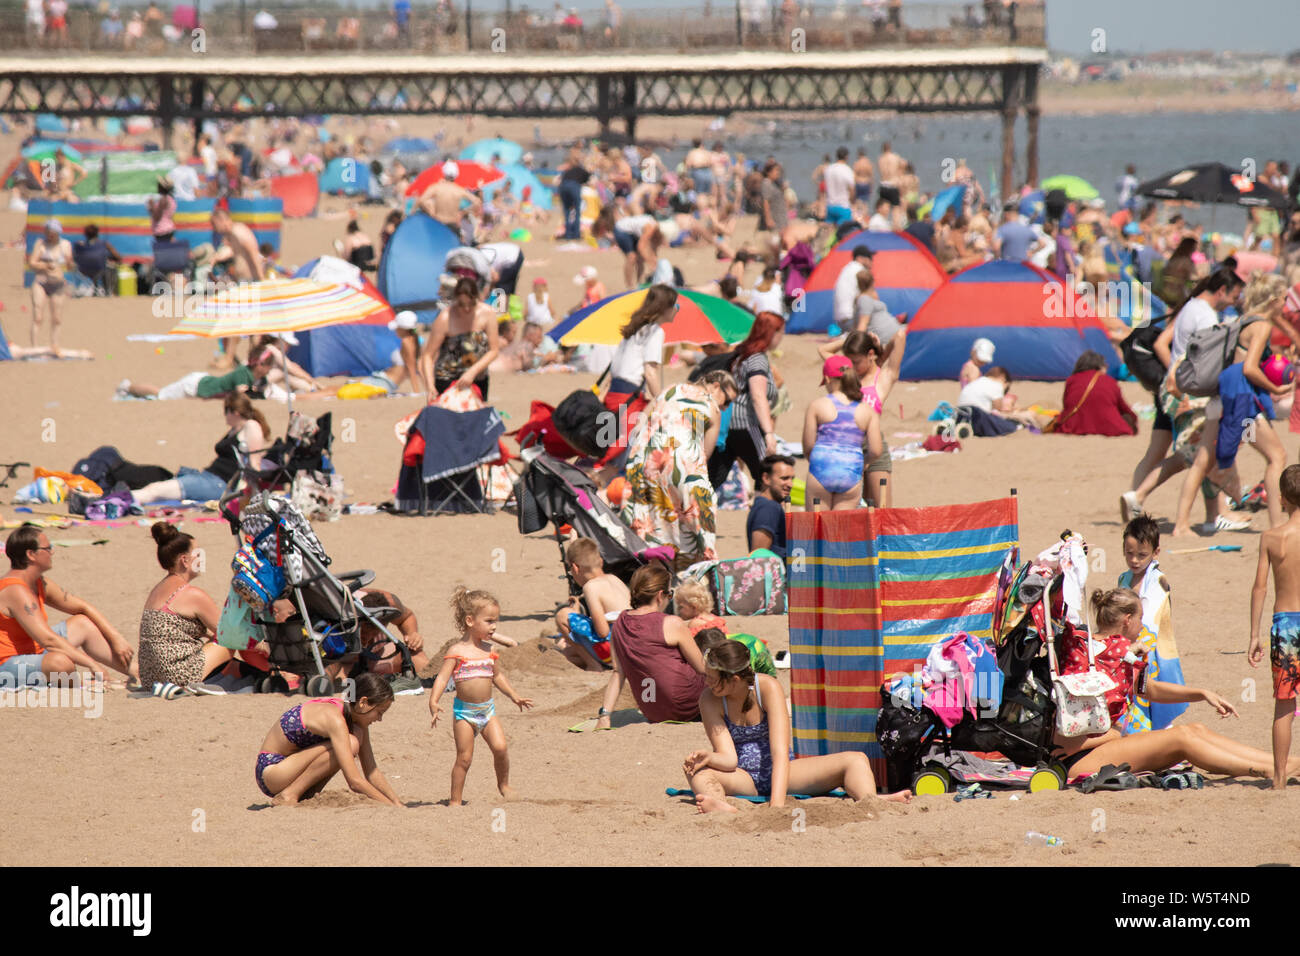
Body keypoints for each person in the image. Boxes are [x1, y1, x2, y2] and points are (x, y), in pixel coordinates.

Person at [1054, 588, 1300, 784]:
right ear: (1128, 620)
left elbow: (1148, 690)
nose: (1142, 625)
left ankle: (1283, 763)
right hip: (1079, 758)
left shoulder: (1097, 651)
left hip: (1099, 747)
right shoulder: (1111, 653)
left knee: (1196, 729)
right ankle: (1266, 770)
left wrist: (1202, 694)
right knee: (1182, 738)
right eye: (1141, 618)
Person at [684, 640, 910, 812]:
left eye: (713, 679)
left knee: (856, 760)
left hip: (785, 772)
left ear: (734, 680)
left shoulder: (768, 688)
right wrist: (709, 758)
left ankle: (870, 800)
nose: (707, 682)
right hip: (742, 776)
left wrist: (776, 806)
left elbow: (780, 754)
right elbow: (729, 758)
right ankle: (725, 809)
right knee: (698, 773)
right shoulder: (710, 699)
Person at [1123, 269, 1247, 530]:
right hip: (1192, 392)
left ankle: (1213, 517)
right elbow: (1209, 360)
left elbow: (1168, 346)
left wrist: (1175, 379)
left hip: (1179, 388)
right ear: (1222, 290)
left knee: (1193, 454)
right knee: (1197, 455)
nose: (1234, 302)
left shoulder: (1190, 307)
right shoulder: (1204, 315)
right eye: (1234, 295)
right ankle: (1154, 503)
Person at [428, 587, 533, 805]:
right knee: (464, 758)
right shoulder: (457, 651)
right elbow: (441, 678)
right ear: (470, 620)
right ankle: (455, 800)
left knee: (501, 748)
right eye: (489, 621)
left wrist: (514, 695)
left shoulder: (489, 650)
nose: (494, 626)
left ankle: (503, 785)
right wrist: (434, 701)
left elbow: (498, 676)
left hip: (487, 710)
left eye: (496, 621)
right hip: (464, 713)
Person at [0, 525, 137, 688]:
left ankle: (136, 671)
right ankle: (85, 684)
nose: (52, 552)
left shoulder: (39, 582)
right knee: (61, 664)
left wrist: (116, 639)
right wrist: (91, 664)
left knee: (82, 623)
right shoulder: (15, 590)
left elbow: (83, 607)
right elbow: (48, 640)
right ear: (31, 554)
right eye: (48, 548)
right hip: (7, 664)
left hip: (34, 652)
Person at [622, 371, 738, 565]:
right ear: (716, 386)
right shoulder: (712, 407)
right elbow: (703, 455)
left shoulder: (669, 390)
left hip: (645, 460)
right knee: (693, 521)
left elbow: (641, 423)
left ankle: (648, 563)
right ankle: (694, 569)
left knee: (650, 520)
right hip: (681, 464)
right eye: (727, 401)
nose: (726, 408)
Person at [254, 672, 402, 806]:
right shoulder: (335, 718)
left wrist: (396, 802)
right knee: (350, 744)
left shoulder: (357, 721)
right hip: (271, 770)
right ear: (363, 703)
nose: (380, 719)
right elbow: (354, 781)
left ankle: (305, 794)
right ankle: (289, 794)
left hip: (289, 768)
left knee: (354, 738)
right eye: (379, 712)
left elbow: (371, 771)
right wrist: (388, 805)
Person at [138, 524, 238, 696]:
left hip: (150, 676)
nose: (201, 558)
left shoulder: (158, 589)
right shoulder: (192, 594)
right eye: (197, 553)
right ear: (185, 560)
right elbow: (228, 633)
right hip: (176, 674)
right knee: (228, 641)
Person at [604, 564, 707, 728]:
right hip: (687, 707)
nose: (669, 599)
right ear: (660, 595)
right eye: (670, 594)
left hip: (652, 711)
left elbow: (618, 673)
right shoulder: (671, 623)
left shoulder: (619, 624)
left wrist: (605, 715)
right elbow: (702, 668)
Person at [1250, 465, 1300, 789]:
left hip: (1285, 627)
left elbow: (1260, 588)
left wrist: (1254, 634)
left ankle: (1280, 779)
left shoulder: (1271, 537)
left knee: (1284, 704)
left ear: (1281, 499)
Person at [133, 393, 271, 505]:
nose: (225, 416)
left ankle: (120, 499)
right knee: (155, 488)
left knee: (155, 490)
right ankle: (121, 497)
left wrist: (254, 494)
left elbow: (254, 463)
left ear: (235, 412)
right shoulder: (234, 430)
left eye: (226, 412)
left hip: (219, 484)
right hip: (207, 477)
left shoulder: (251, 426)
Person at [1119, 515, 1188, 733]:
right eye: (1129, 553)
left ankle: (1166, 741)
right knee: (1134, 697)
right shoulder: (1123, 579)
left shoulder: (1158, 581)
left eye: (1142, 555)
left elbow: (1150, 619)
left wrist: (1134, 646)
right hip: (1130, 646)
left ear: (1155, 553)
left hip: (1152, 649)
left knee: (1156, 698)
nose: (1135, 560)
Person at [598, 284, 675, 465]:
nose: (676, 311)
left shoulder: (634, 328)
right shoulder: (655, 331)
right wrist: (663, 400)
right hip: (627, 398)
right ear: (665, 308)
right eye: (675, 307)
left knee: (610, 450)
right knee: (621, 455)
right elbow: (650, 373)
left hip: (615, 394)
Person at [708, 311, 784, 487]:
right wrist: (769, 433)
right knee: (767, 476)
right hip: (746, 424)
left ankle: (693, 511)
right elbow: (758, 397)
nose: (782, 338)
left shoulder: (742, 354)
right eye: (780, 333)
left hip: (727, 423)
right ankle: (764, 514)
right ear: (771, 333)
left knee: (712, 479)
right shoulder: (757, 359)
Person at [840, 329, 905, 507]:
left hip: (873, 443)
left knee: (881, 508)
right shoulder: (848, 377)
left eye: (856, 361)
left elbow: (899, 335)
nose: (852, 366)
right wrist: (853, 336)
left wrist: (876, 345)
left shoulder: (883, 378)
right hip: (848, 443)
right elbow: (825, 353)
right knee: (854, 508)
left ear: (869, 355)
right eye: (849, 361)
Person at [803, 356, 877, 511]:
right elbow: (876, 450)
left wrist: (816, 461)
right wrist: (864, 464)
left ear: (827, 378)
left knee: (817, 528)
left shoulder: (817, 405)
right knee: (841, 532)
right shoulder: (867, 410)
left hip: (821, 468)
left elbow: (809, 445)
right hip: (850, 471)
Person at [420, 276, 500, 401]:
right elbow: (428, 356)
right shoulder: (445, 318)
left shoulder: (487, 313)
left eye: (471, 304)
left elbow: (494, 350)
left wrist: (472, 372)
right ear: (456, 299)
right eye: (462, 305)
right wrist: (430, 387)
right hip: (447, 379)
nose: (467, 309)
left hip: (477, 378)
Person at [117, 347, 276, 401]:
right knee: (160, 393)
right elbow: (241, 393)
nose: (269, 370)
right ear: (259, 365)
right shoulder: (244, 373)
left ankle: (128, 386)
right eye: (268, 366)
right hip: (195, 386)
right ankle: (128, 386)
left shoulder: (252, 375)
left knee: (161, 392)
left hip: (202, 382)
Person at [1050, 351, 1136, 436]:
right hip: (1108, 427)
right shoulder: (1110, 381)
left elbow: (1067, 405)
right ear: (1099, 366)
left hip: (1074, 426)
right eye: (1105, 365)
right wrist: (1133, 418)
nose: (1107, 367)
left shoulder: (1071, 380)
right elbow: (1123, 408)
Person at [26, 218, 73, 353]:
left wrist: (69, 262)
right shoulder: (41, 244)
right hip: (41, 282)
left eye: (53, 233)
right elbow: (32, 263)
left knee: (57, 318)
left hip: (58, 284)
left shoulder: (65, 245)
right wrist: (46, 265)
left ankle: (54, 345)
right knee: (38, 317)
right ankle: (34, 348)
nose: (50, 235)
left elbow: (70, 267)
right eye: (48, 232)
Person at [746, 454, 794, 557]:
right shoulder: (768, 508)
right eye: (784, 478)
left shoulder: (765, 505)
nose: (790, 484)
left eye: (791, 479)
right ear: (766, 478)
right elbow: (759, 556)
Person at [418, 160, 481, 229]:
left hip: (438, 222)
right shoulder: (458, 189)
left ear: (444, 173)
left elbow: (421, 200)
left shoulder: (436, 187)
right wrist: (462, 212)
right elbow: (477, 202)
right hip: (453, 223)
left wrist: (431, 212)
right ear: (456, 175)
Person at [613, 212, 665, 289]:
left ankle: (639, 283)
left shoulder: (655, 230)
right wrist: (650, 262)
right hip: (621, 229)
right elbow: (640, 247)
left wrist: (653, 259)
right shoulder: (650, 228)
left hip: (633, 232)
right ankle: (629, 285)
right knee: (631, 257)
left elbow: (652, 249)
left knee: (640, 259)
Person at [832, 245, 873, 330]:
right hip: (851, 321)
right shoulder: (860, 271)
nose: (871, 261)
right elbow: (868, 297)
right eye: (870, 258)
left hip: (841, 321)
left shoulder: (846, 269)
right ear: (859, 258)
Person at [557, 146, 590, 240]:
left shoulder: (568, 171)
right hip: (573, 186)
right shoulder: (582, 170)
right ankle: (576, 234)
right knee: (577, 211)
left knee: (567, 211)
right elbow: (587, 180)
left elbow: (561, 180)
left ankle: (568, 234)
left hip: (563, 186)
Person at [823, 146, 856, 227]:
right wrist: (853, 202)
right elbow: (852, 190)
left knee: (829, 235)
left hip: (830, 206)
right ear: (847, 157)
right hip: (843, 206)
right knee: (844, 236)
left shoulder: (829, 169)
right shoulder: (847, 170)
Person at [148, 177, 177, 241]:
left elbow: (157, 217)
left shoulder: (163, 200)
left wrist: (151, 205)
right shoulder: (170, 199)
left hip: (162, 231)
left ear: (161, 187)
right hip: (168, 229)